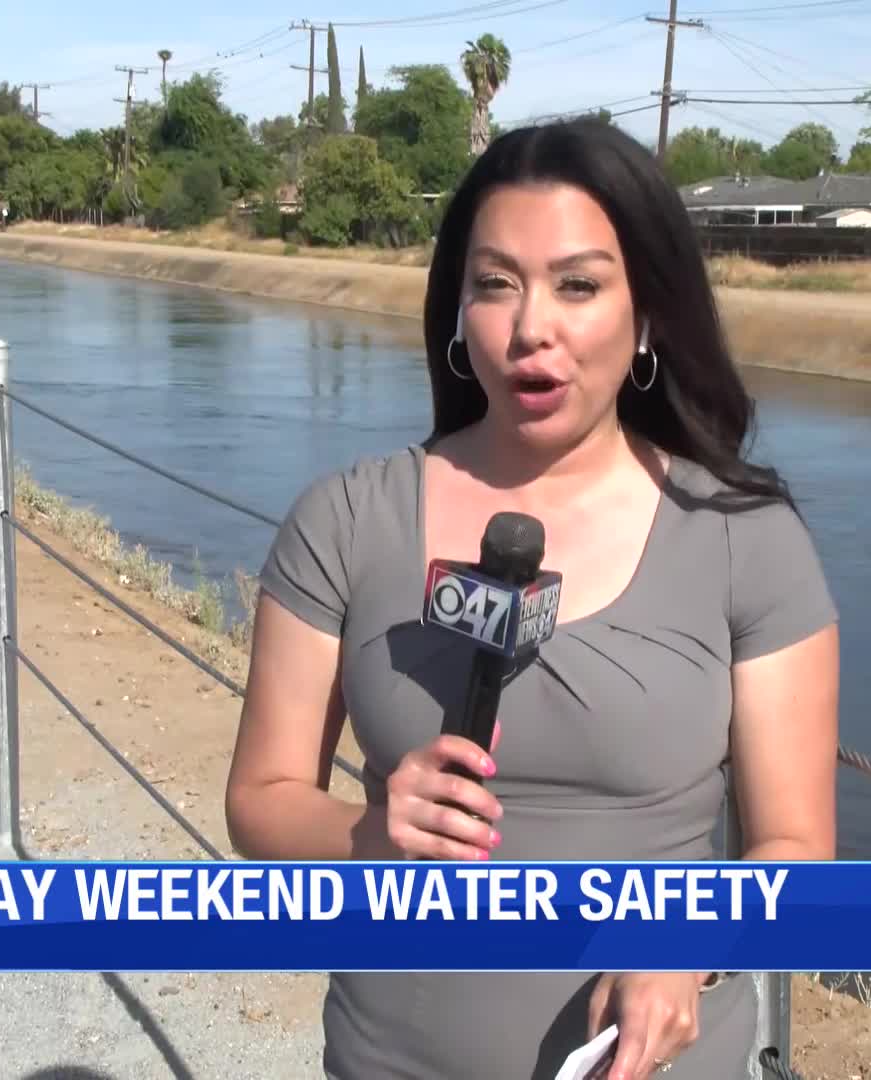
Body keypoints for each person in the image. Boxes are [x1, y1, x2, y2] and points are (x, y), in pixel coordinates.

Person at [224, 120, 839, 1080]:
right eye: (495, 283)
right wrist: (372, 833)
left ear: (648, 318)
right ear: (457, 309)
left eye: (579, 285)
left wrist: (695, 944)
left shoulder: (746, 538)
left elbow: (796, 850)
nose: (530, 327)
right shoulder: (346, 518)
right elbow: (260, 805)